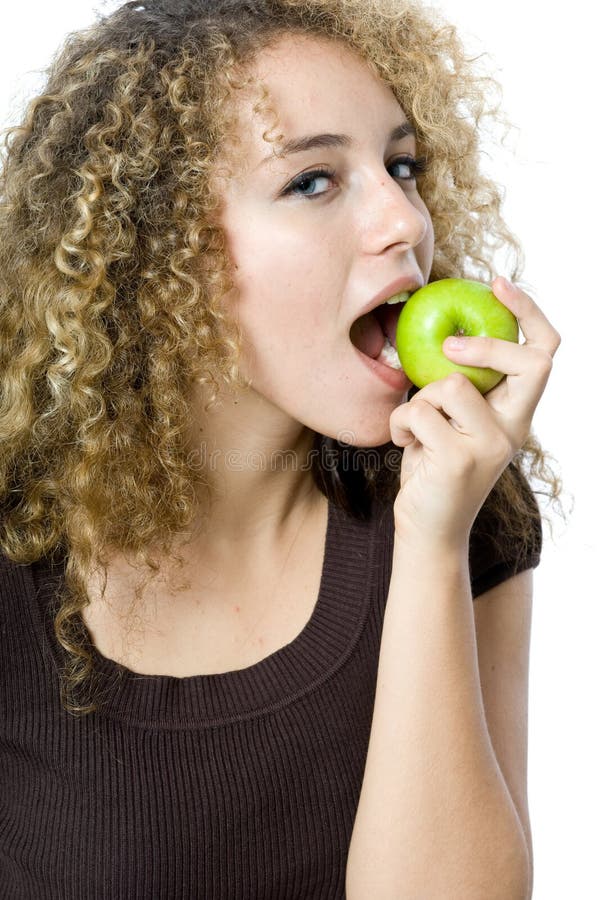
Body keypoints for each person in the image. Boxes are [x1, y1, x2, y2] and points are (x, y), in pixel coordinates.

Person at [0, 0, 563, 897]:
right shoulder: (14, 540)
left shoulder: (464, 500)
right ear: (161, 252)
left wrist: (432, 539)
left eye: (402, 165)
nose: (405, 224)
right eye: (313, 181)